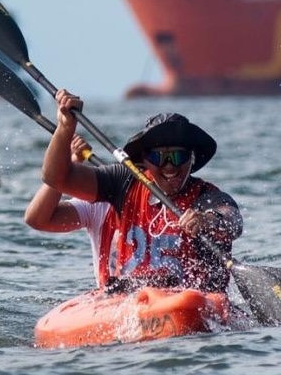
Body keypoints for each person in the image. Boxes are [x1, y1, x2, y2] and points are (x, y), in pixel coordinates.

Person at [41, 89, 242, 293]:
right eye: (158, 157)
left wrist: (208, 220)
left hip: (190, 303)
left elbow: (234, 222)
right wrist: (65, 128)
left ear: (192, 158)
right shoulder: (123, 181)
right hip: (130, 299)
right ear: (145, 161)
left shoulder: (206, 196)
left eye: (178, 156)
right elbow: (56, 178)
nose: (169, 166)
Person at [25, 135, 117, 289]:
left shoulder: (172, 210)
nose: (167, 167)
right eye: (156, 158)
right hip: (115, 299)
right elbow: (37, 219)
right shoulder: (100, 204)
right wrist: (70, 167)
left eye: (173, 158)